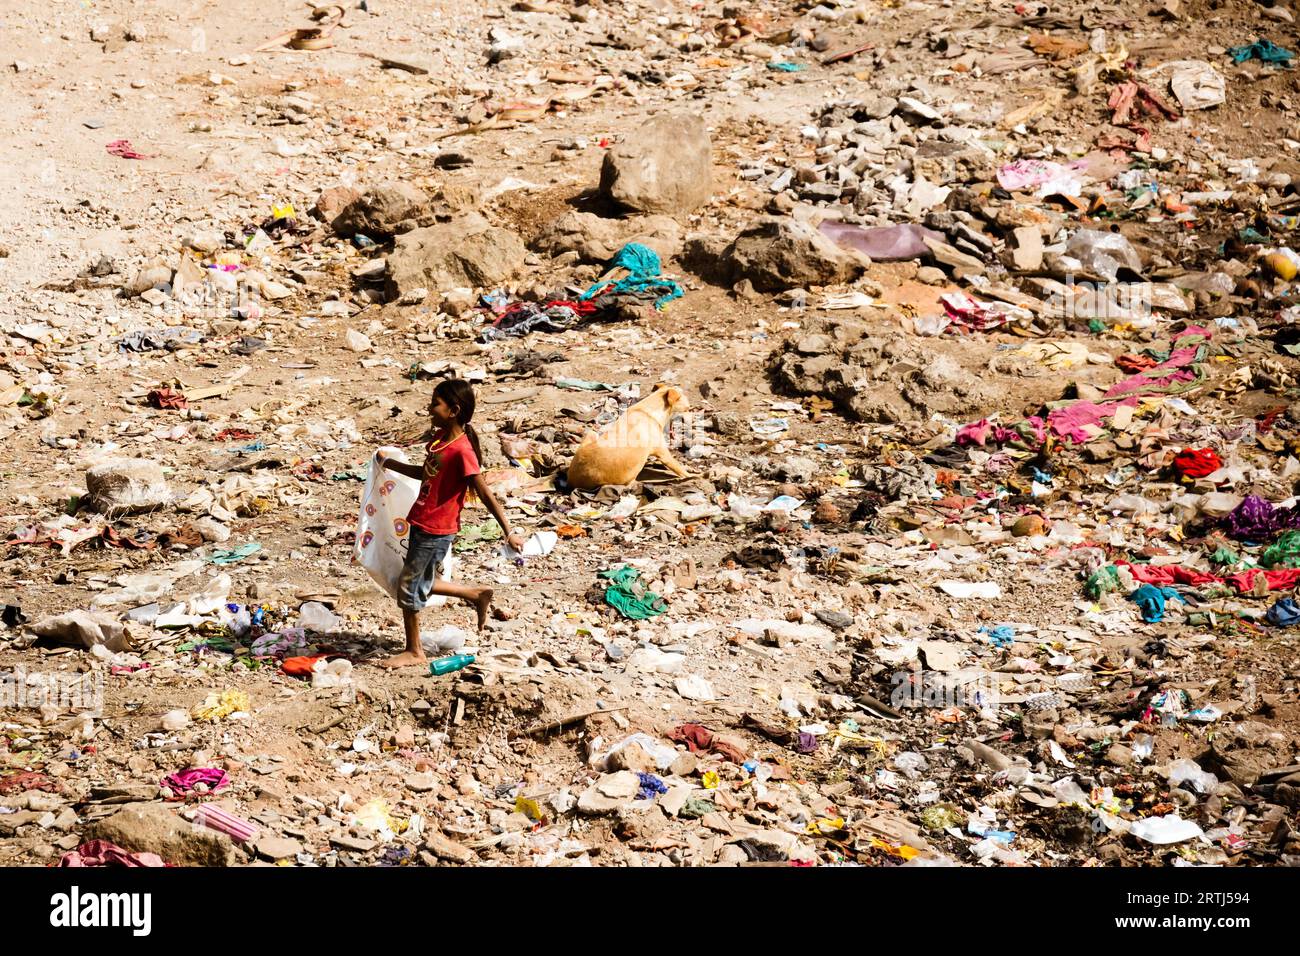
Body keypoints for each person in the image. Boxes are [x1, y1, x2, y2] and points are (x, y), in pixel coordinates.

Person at [374, 379, 524, 668]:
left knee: (409, 585)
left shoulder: (462, 451)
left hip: (436, 529)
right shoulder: (441, 441)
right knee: (419, 582)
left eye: (436, 404)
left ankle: (414, 651)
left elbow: (484, 492)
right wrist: (390, 464)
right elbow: (426, 472)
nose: (430, 409)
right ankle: (475, 594)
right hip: (422, 520)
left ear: (454, 410)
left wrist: (509, 531)